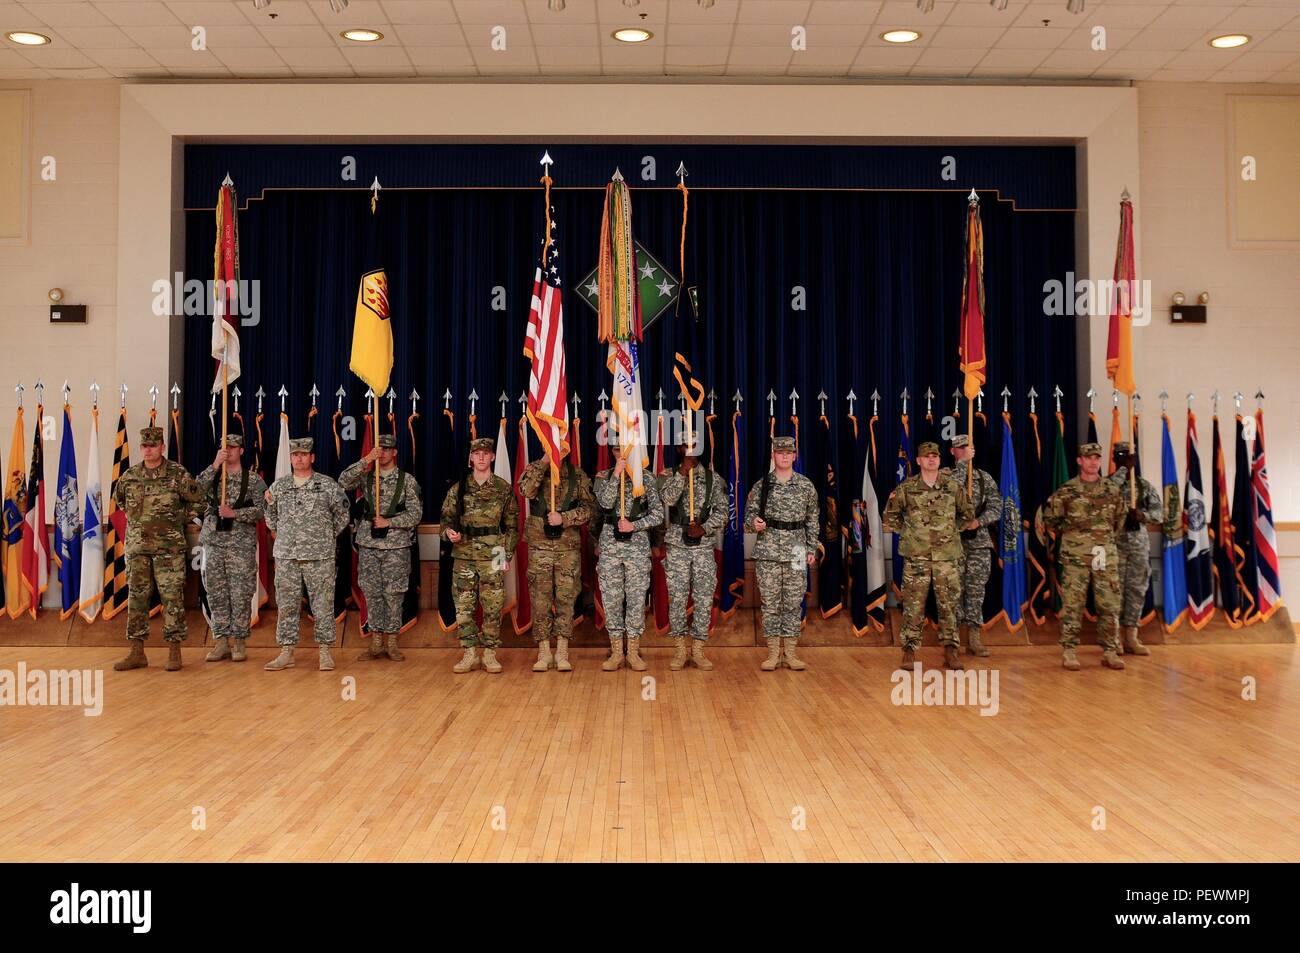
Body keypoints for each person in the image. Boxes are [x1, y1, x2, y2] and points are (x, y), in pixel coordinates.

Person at [111, 426, 205, 672]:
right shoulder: (130, 476)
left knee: (172, 597)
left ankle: (174, 651)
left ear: (162, 447)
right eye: (145, 446)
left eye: (153, 445)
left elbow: (199, 502)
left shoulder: (177, 474)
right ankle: (136, 652)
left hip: (169, 548)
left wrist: (177, 517)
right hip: (138, 547)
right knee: (137, 598)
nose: (149, 450)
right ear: (141, 448)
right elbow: (121, 501)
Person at [883, 441, 976, 671]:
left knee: (949, 606)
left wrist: (950, 532)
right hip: (917, 559)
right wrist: (911, 535)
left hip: (947, 558)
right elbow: (891, 516)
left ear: (940, 460)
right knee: (913, 607)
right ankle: (909, 651)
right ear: (918, 461)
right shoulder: (907, 488)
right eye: (926, 456)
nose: (931, 459)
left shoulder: (953, 487)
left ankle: (951, 651)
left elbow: (967, 515)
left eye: (935, 456)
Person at [263, 438, 350, 672]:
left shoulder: (328, 485)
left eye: (303, 454)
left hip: (319, 555)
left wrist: (324, 536)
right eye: (295, 455)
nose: (299, 458)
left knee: (322, 604)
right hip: (287, 556)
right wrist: (282, 536)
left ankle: (325, 652)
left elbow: (342, 515)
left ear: (312, 457)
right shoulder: (278, 487)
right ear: (290, 458)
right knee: (287, 604)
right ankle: (286, 652)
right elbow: (269, 516)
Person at [1042, 441, 1127, 672]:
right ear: (1079, 460)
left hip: (1104, 556)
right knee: (1073, 604)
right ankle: (1069, 650)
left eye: (1097, 458)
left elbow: (1119, 521)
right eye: (1088, 458)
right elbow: (1051, 520)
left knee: (1109, 604)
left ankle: (1110, 650)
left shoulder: (1112, 490)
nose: (1093, 462)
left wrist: (1101, 539)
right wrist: (1076, 537)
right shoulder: (1067, 491)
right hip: (1076, 557)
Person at [339, 433, 424, 662]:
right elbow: (343, 481)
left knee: (394, 594)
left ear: (395, 452)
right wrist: (366, 459)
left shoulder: (407, 481)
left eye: (387, 449)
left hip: (396, 546)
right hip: (369, 544)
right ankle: (376, 642)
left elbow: (416, 514)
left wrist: (391, 522)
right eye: (380, 449)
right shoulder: (367, 477)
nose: (383, 453)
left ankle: (393, 642)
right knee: (372, 592)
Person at [438, 436, 517, 674]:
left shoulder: (503, 488)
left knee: (492, 606)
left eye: (486, 453)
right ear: (471, 458)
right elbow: (445, 521)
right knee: (464, 607)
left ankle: (490, 653)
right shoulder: (459, 488)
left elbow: (511, 526)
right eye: (477, 454)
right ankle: (470, 653)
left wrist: (506, 555)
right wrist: (448, 533)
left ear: (492, 457)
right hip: (464, 554)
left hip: (494, 552)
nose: (481, 457)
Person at [743, 436, 818, 671]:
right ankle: (774, 653)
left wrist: (812, 547)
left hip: (797, 549)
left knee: (794, 603)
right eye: (780, 452)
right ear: (773, 456)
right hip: (769, 550)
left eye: (789, 452)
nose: (784, 456)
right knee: (771, 603)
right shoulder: (762, 485)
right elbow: (748, 517)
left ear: (795, 456)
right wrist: (752, 523)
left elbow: (812, 519)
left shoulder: (806, 485)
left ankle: (791, 653)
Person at [518, 451, 595, 672]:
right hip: (539, 546)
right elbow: (525, 490)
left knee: (566, 598)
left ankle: (562, 650)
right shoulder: (535, 469)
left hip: (566, 547)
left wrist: (565, 518)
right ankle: (544, 651)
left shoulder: (576, 474)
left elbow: (590, 509)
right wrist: (543, 462)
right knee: (540, 599)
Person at [658, 434, 727, 670]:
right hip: (677, 545)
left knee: (704, 598)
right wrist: (681, 474)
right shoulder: (668, 475)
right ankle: (679, 650)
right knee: (676, 599)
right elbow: (666, 499)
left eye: (694, 446)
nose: (690, 450)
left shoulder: (712, 479)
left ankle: (698, 650)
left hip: (703, 547)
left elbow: (722, 513)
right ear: (678, 448)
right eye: (685, 446)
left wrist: (705, 528)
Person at [196, 434, 267, 663]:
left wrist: (236, 513)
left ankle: (239, 641)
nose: (229, 451)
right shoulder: (213, 476)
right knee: (216, 593)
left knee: (240, 593)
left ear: (241, 451)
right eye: (224, 447)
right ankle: (221, 641)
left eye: (233, 447)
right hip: (214, 542)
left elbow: (264, 510)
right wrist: (215, 464)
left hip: (240, 545)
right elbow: (194, 492)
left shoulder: (254, 480)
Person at [593, 443, 664, 671]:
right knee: (612, 598)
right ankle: (616, 652)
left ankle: (633, 651)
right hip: (610, 545)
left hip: (636, 546)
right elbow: (604, 504)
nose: (620, 453)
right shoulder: (603, 477)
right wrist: (616, 474)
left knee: (635, 598)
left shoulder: (647, 478)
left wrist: (635, 524)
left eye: (625, 449)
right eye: (616, 449)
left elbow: (658, 515)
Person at [946, 434, 1002, 657]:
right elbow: (948, 493)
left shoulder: (983, 478)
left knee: (976, 590)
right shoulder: (945, 475)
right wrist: (961, 465)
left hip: (978, 542)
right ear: (953, 452)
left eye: (968, 448)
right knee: (953, 591)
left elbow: (996, 507)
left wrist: (979, 521)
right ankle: (953, 640)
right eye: (960, 448)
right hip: (953, 543)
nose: (965, 451)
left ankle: (974, 637)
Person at [1108, 441, 1162, 657]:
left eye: (1128, 456)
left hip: (1138, 546)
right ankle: (1114, 639)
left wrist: (1142, 516)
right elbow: (1106, 496)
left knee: (1136, 590)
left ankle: (1131, 637)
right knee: (1114, 592)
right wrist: (1123, 470)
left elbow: (1159, 513)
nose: (1124, 459)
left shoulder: (1143, 486)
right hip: (1115, 546)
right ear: (1115, 459)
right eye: (1120, 456)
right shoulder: (1109, 484)